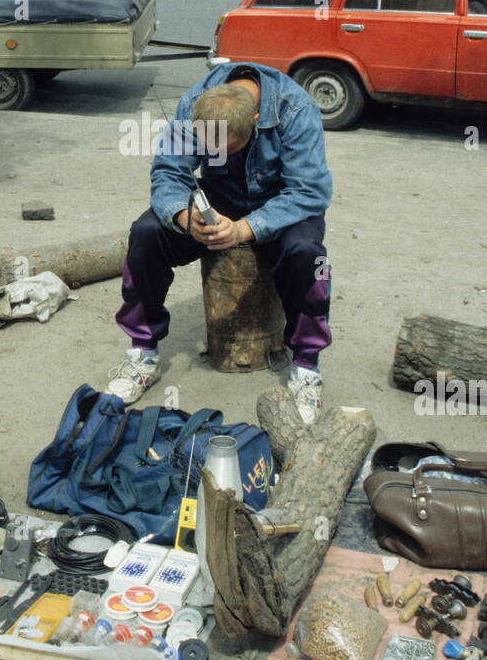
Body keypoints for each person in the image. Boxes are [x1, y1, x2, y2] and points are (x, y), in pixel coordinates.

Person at [106, 63, 333, 421]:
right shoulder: (195, 103)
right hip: (220, 197)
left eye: (228, 148)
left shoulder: (297, 109)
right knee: (146, 233)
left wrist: (244, 229)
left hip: (283, 203)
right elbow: (169, 172)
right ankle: (143, 352)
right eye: (211, 147)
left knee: (308, 255)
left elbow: (309, 191)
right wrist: (185, 216)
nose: (217, 154)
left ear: (255, 120)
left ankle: (306, 367)